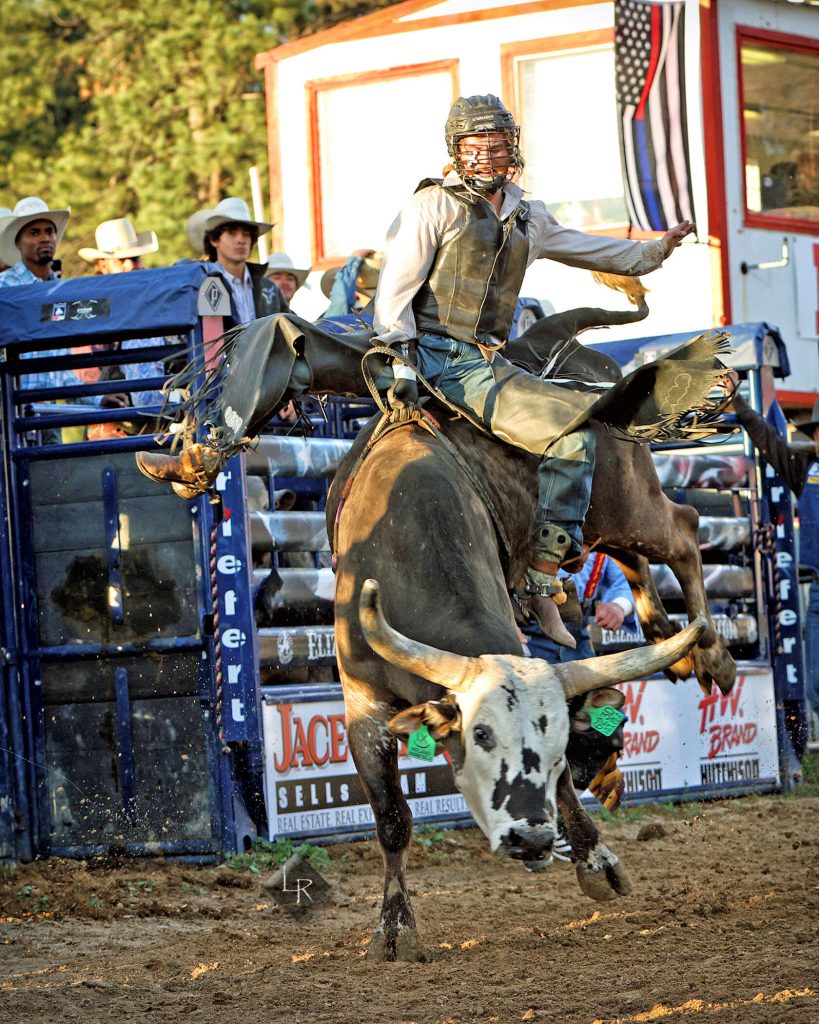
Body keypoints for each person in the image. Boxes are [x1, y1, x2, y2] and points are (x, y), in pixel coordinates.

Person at [370, 94, 692, 641]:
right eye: (475, 145)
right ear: (456, 150)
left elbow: (590, 249)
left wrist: (654, 252)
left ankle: (544, 579)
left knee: (582, 423)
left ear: (511, 148)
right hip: (438, 358)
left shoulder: (530, 216)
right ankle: (543, 587)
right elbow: (393, 291)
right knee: (571, 434)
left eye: (496, 143)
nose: (487, 154)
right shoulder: (432, 207)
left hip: (492, 362)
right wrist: (398, 357)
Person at [724, 375, 819, 721]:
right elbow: (769, 441)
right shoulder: (807, 467)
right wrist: (738, 403)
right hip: (818, 591)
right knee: (815, 688)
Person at [186, 196, 286, 324]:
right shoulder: (203, 283)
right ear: (214, 240)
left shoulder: (269, 289)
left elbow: (287, 334)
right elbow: (210, 341)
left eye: (246, 234)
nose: (241, 240)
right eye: (232, 233)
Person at [523, 552, 635, 663]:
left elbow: (623, 581)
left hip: (578, 640)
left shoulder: (603, 546)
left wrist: (619, 606)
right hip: (529, 636)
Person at [0, 196, 69, 287]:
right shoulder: (4, 286)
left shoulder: (62, 288)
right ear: (18, 242)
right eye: (34, 233)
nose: (45, 238)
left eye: (49, 232)